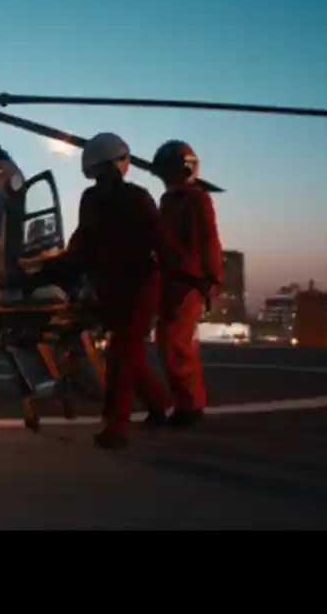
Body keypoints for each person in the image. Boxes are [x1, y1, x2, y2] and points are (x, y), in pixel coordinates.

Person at [64, 132, 187, 449]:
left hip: (130, 286)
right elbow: (163, 242)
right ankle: (159, 405)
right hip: (128, 285)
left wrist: (62, 267)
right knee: (127, 351)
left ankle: (116, 426)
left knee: (122, 352)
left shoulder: (92, 200)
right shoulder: (134, 197)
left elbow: (82, 243)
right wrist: (184, 277)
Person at [151, 140, 224, 427]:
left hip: (187, 281)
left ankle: (190, 407)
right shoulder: (172, 200)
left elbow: (209, 239)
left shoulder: (195, 199)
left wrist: (210, 279)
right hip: (173, 280)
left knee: (175, 342)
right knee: (168, 341)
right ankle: (184, 403)